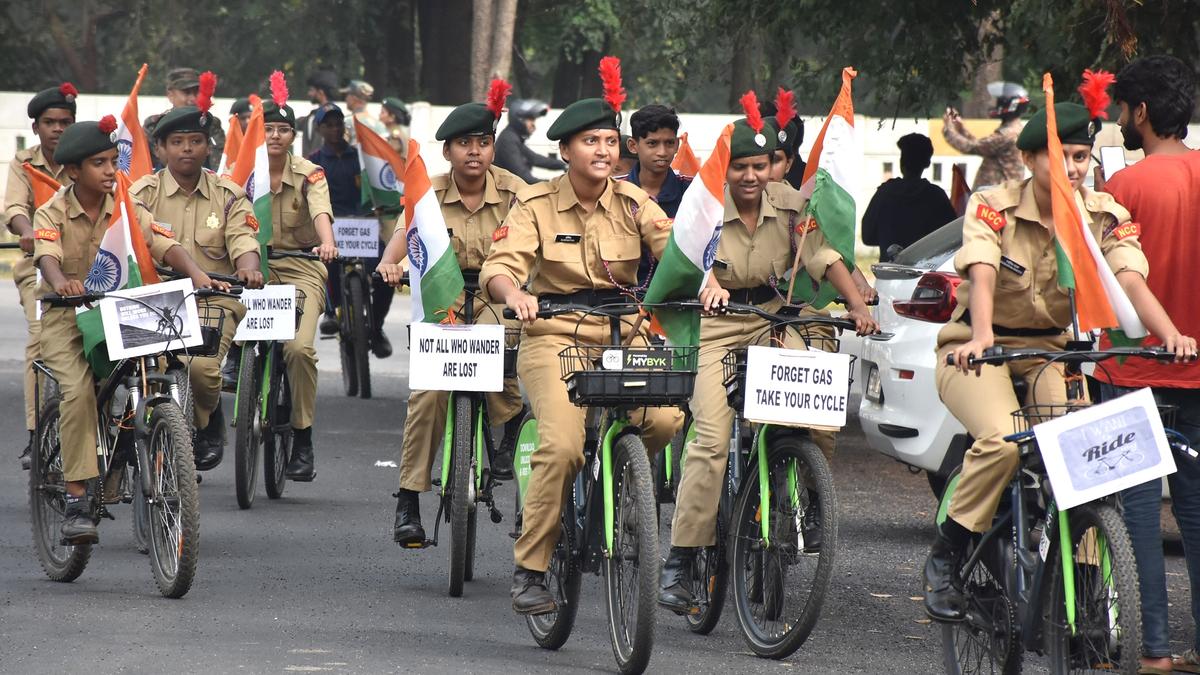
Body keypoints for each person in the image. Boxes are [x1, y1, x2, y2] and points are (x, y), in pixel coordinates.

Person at [922, 94, 1197, 623]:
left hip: (1052, 351)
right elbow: (980, 271)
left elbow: (1129, 276)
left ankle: (1085, 593)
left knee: (1087, 459)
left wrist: (1170, 336)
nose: (1073, 168)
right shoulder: (991, 205)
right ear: (1029, 159)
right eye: (1061, 155)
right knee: (1003, 443)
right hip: (979, 351)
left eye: (1080, 156)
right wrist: (980, 336)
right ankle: (948, 556)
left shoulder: (1102, 213)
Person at [658, 103, 879, 613]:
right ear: (726, 168)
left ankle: (797, 497)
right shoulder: (704, 201)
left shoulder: (789, 202)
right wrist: (708, 284)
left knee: (810, 410)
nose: (752, 177)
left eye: (761, 166)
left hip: (776, 321)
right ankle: (682, 559)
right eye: (741, 168)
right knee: (711, 439)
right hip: (715, 326)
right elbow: (690, 259)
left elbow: (823, 256)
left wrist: (857, 304)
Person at [481, 58, 683, 615]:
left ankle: (624, 485)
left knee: (667, 417)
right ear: (566, 150)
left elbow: (677, 255)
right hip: (553, 335)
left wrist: (706, 283)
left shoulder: (635, 202)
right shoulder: (536, 203)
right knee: (564, 447)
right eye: (590, 141)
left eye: (610, 142)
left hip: (625, 331)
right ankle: (532, 567)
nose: (603, 151)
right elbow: (499, 265)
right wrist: (514, 294)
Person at [34, 116, 224, 543]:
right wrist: (62, 278)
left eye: (111, 160)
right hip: (69, 316)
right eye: (98, 163)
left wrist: (195, 272)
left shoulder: (125, 203)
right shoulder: (52, 209)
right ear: (73, 171)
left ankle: (139, 449)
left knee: (154, 366)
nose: (109, 170)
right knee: (80, 393)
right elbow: (46, 252)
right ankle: (78, 495)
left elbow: (162, 242)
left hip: (121, 310)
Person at [378, 80, 528, 547]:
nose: (475, 152)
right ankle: (409, 498)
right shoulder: (429, 193)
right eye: (465, 144)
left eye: (483, 143)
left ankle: (508, 430)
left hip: (494, 294)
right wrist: (389, 262)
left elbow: (535, 240)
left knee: (509, 351)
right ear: (448, 151)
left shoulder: (517, 192)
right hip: (443, 298)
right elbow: (406, 232)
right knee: (428, 394)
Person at [1090, 55, 1200, 675]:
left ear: (1144, 113)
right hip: (1198, 372)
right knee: (1197, 513)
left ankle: (1154, 651)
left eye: (1126, 112)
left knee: (1136, 514)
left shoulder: (1123, 190)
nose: (1123, 123)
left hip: (1132, 371)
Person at [132, 93, 264, 471]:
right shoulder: (141, 194)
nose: (186, 149)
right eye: (176, 142)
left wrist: (249, 266)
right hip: (154, 300)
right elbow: (144, 239)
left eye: (195, 141)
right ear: (160, 149)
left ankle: (208, 420)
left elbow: (244, 239)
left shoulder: (228, 195)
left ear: (208, 147)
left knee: (204, 370)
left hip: (212, 297)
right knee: (139, 373)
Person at [261, 79, 340, 482]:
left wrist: (326, 243)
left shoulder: (311, 174)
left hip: (301, 270)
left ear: (293, 136)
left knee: (297, 350)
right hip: (253, 270)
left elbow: (321, 210)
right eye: (267, 129)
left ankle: (302, 436)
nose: (275, 136)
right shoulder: (244, 172)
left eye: (283, 130)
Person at [4, 83, 75, 469]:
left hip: (92, 270)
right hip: (39, 270)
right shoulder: (24, 163)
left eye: (65, 122)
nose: (58, 129)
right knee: (39, 342)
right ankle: (37, 434)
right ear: (36, 127)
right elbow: (14, 206)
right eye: (50, 122)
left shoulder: (87, 157)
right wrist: (26, 230)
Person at [309, 105, 394, 358]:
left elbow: (379, 184)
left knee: (384, 272)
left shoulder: (360, 157)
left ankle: (376, 327)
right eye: (329, 125)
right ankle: (330, 310)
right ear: (320, 129)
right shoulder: (313, 161)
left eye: (338, 124)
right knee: (325, 264)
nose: (335, 129)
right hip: (331, 228)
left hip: (363, 226)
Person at [861, 133, 958, 261]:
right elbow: (952, 240)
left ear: (902, 162)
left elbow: (868, 236)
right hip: (925, 275)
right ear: (928, 163)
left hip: (889, 274)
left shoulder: (884, 193)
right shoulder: (936, 196)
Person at [943, 81, 1027, 189]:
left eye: (999, 102)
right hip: (999, 194)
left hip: (996, 197)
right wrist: (961, 129)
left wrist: (948, 128)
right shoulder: (1014, 130)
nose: (995, 106)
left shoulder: (1008, 135)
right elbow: (983, 146)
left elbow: (973, 147)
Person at [144, 68, 225, 172]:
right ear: (170, 95)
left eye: (196, 92)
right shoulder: (155, 124)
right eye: (186, 92)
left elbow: (219, 163)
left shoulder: (210, 123)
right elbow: (146, 163)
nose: (192, 99)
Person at [493, 98, 566, 183]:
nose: (533, 124)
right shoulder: (508, 140)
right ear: (519, 119)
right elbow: (523, 176)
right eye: (530, 120)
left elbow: (535, 158)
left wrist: (564, 165)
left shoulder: (513, 138)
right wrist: (551, 185)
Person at [300, 70, 339, 156]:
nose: (309, 93)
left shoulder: (329, 115)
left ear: (321, 92)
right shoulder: (314, 114)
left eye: (311, 90)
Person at [343, 79, 386, 143]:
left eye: (347, 95)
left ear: (354, 98)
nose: (346, 99)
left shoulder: (346, 122)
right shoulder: (379, 125)